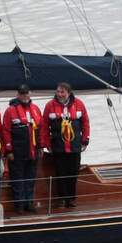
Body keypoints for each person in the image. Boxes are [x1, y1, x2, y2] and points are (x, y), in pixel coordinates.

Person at [40, 81, 89, 209]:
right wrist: (47, 144)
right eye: (58, 92)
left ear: (69, 93)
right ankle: (61, 199)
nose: (60, 94)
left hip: (74, 146)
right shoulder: (50, 105)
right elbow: (44, 126)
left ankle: (71, 199)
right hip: (58, 146)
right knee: (60, 173)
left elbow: (85, 123)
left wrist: (85, 140)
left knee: (73, 173)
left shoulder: (79, 104)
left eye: (62, 92)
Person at [0, 84, 42, 213]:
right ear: (18, 95)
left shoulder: (35, 109)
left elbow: (41, 129)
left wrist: (41, 146)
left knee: (30, 177)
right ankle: (19, 204)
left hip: (32, 150)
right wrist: (9, 150)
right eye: (22, 94)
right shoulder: (10, 111)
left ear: (29, 94)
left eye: (26, 94)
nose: (25, 96)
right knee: (18, 178)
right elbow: (6, 131)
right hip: (17, 151)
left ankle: (28, 202)